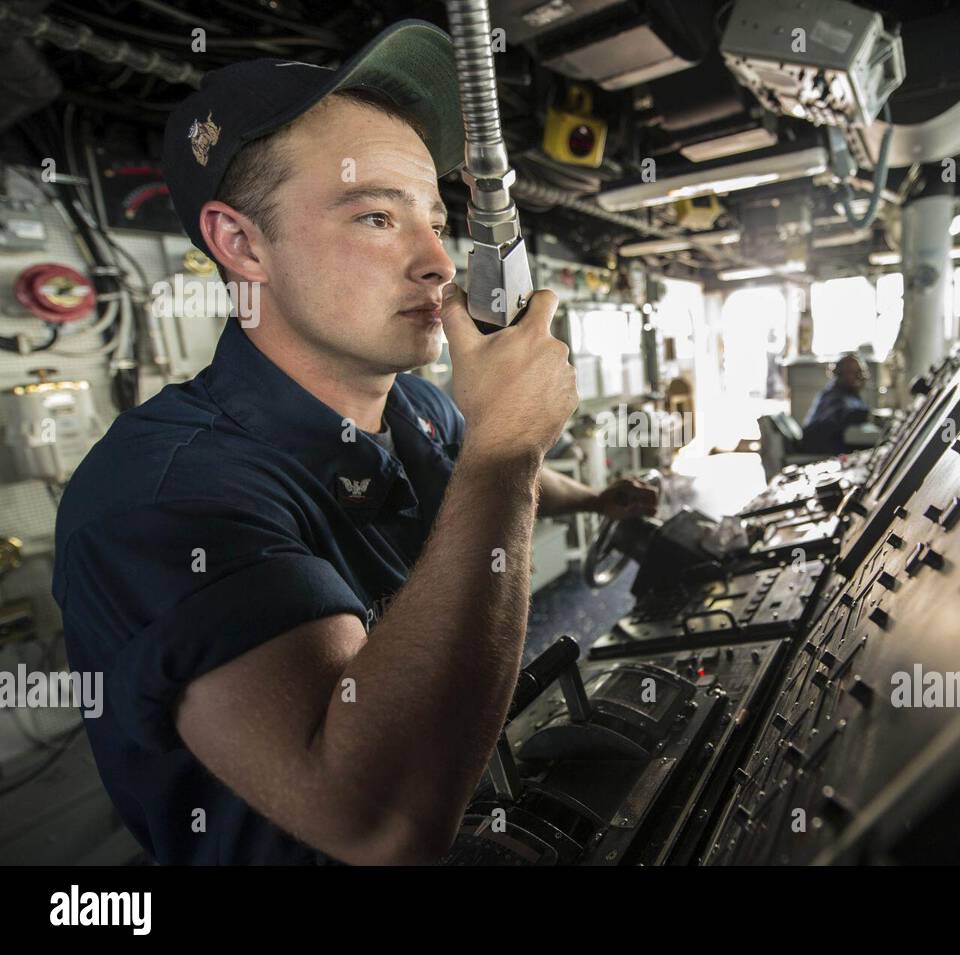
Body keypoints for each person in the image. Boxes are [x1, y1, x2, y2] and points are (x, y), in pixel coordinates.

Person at [51, 20, 656, 865]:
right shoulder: (158, 496)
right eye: (376, 216)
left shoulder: (416, 409)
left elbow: (464, 470)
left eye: (435, 219)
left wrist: (589, 493)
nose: (439, 262)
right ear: (241, 243)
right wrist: (507, 453)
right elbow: (378, 820)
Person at [800, 353, 872, 455]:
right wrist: (869, 415)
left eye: (860, 372)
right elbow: (844, 416)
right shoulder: (832, 396)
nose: (859, 377)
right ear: (840, 374)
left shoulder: (851, 394)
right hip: (821, 449)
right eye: (854, 372)